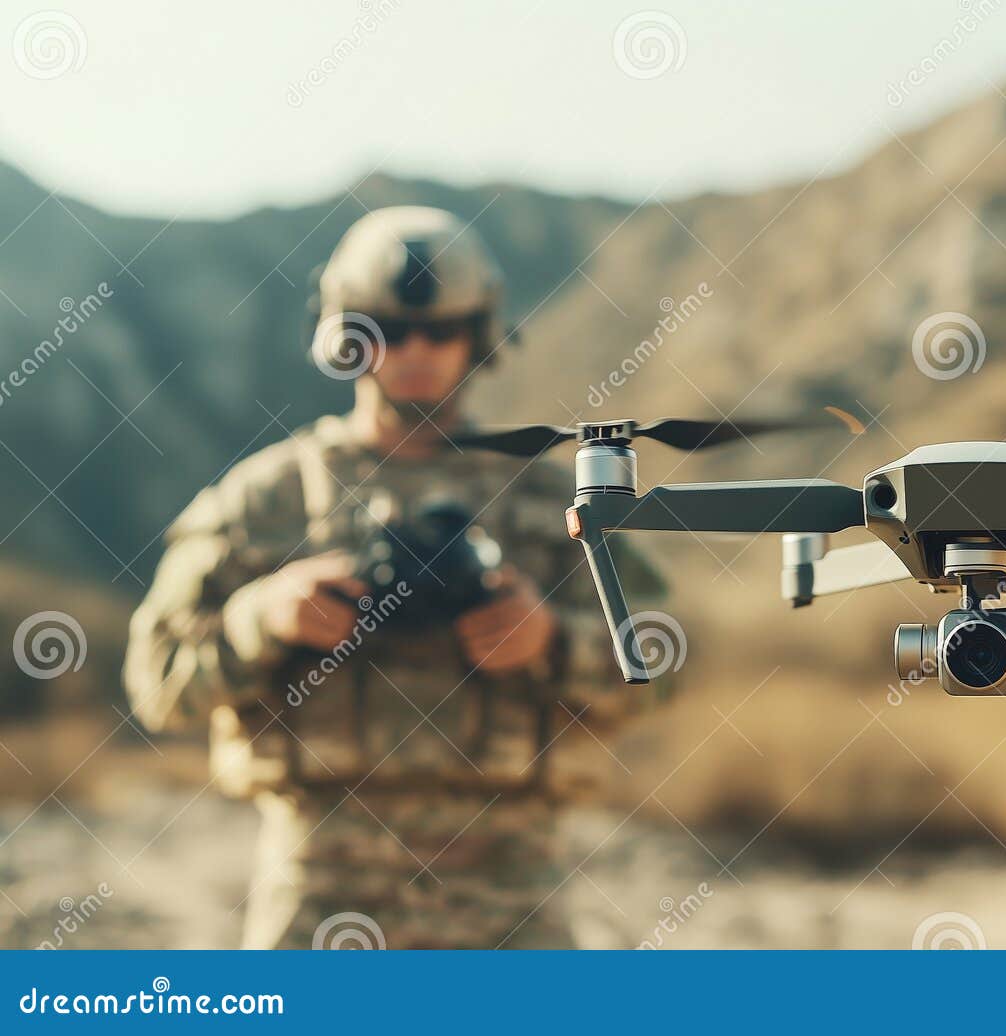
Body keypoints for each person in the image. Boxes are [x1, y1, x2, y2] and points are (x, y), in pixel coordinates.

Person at [124, 206, 664, 949]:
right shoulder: (265, 498)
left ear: (477, 334)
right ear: (346, 334)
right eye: (385, 328)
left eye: (440, 330)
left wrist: (550, 641)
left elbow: (667, 661)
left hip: (513, 891)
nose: (414, 349)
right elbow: (156, 680)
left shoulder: (550, 501)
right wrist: (264, 618)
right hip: (320, 883)